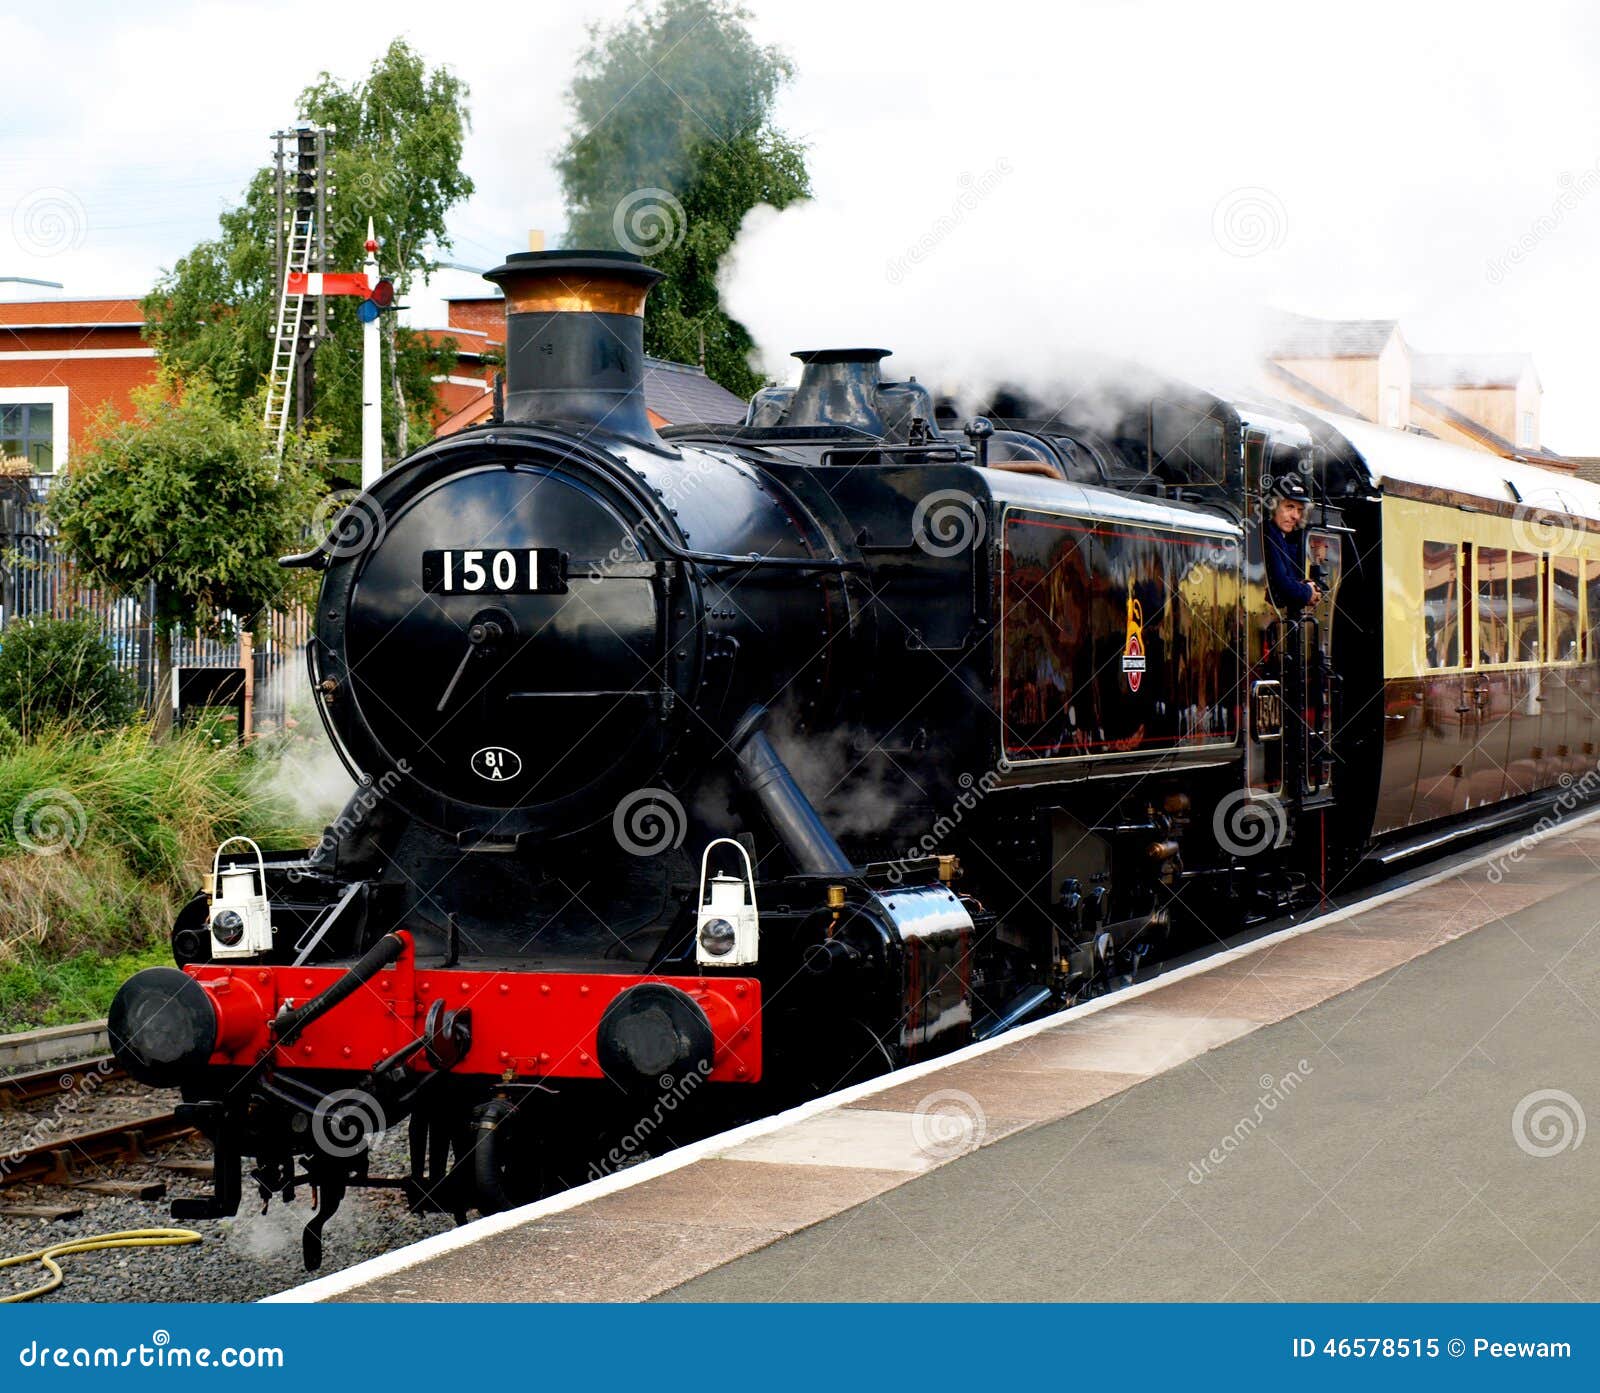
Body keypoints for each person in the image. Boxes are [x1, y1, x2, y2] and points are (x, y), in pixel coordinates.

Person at [1264, 472, 1322, 609]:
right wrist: (1308, 591)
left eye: (1300, 510)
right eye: (1289, 507)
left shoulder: (1282, 537)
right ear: (1273, 506)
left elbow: (1291, 578)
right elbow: (1282, 583)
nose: (1295, 516)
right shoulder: (1269, 534)